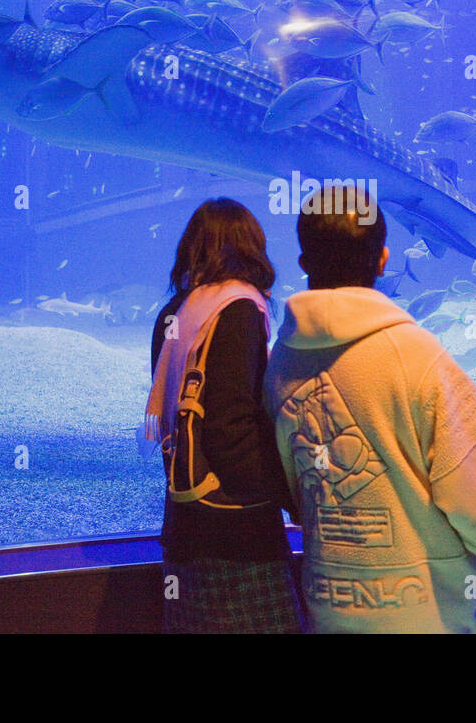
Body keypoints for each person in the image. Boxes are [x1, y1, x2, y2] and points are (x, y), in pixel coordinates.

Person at [263, 185, 476, 633]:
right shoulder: (418, 356)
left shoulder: (278, 362)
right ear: (383, 259)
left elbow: (293, 486)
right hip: (429, 609)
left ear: (303, 263)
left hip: (329, 600)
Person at [144, 198, 302, 633]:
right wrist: (290, 498)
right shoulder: (237, 309)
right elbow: (230, 428)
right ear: (250, 247)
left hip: (185, 523)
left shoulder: (173, 313)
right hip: (236, 534)